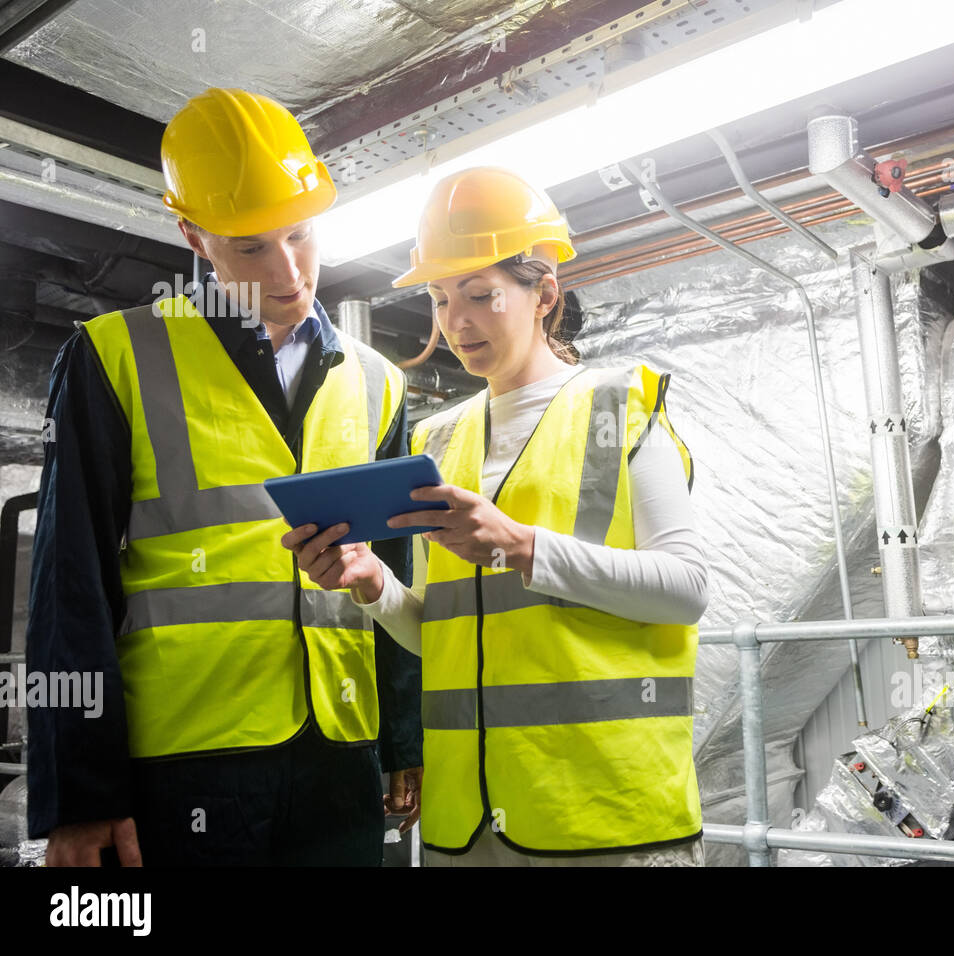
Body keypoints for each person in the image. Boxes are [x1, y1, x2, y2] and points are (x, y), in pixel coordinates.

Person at [26, 87, 422, 866]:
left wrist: (404, 736)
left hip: (342, 747)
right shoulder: (115, 356)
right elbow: (70, 586)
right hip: (186, 763)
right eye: (251, 247)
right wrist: (80, 797)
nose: (288, 272)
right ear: (193, 234)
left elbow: (396, 565)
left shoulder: (379, 381)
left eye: (301, 236)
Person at [285, 166, 710, 865]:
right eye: (440, 297)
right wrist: (375, 588)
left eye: (481, 295)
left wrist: (521, 544)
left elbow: (686, 588)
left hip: (604, 815)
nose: (456, 322)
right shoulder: (437, 440)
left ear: (544, 294)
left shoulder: (621, 406)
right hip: (467, 827)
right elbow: (448, 638)